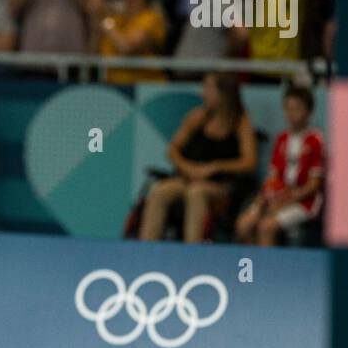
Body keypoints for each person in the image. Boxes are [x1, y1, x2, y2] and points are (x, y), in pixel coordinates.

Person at [139, 73, 257, 243]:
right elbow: (172, 150)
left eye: (208, 89)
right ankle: (147, 247)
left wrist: (215, 167)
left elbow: (249, 163)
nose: (203, 93)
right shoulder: (197, 117)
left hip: (220, 185)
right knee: (160, 191)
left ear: (224, 94)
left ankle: (192, 249)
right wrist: (189, 168)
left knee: (196, 193)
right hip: (188, 177)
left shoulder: (241, 123)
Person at [236, 85, 324, 246]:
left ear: (308, 112)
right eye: (288, 109)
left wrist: (285, 201)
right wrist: (260, 202)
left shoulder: (315, 141)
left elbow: (314, 184)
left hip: (304, 203)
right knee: (244, 224)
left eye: (297, 109)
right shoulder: (281, 139)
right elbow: (273, 178)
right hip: (278, 198)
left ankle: (267, 269)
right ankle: (251, 266)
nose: (291, 114)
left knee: (266, 227)